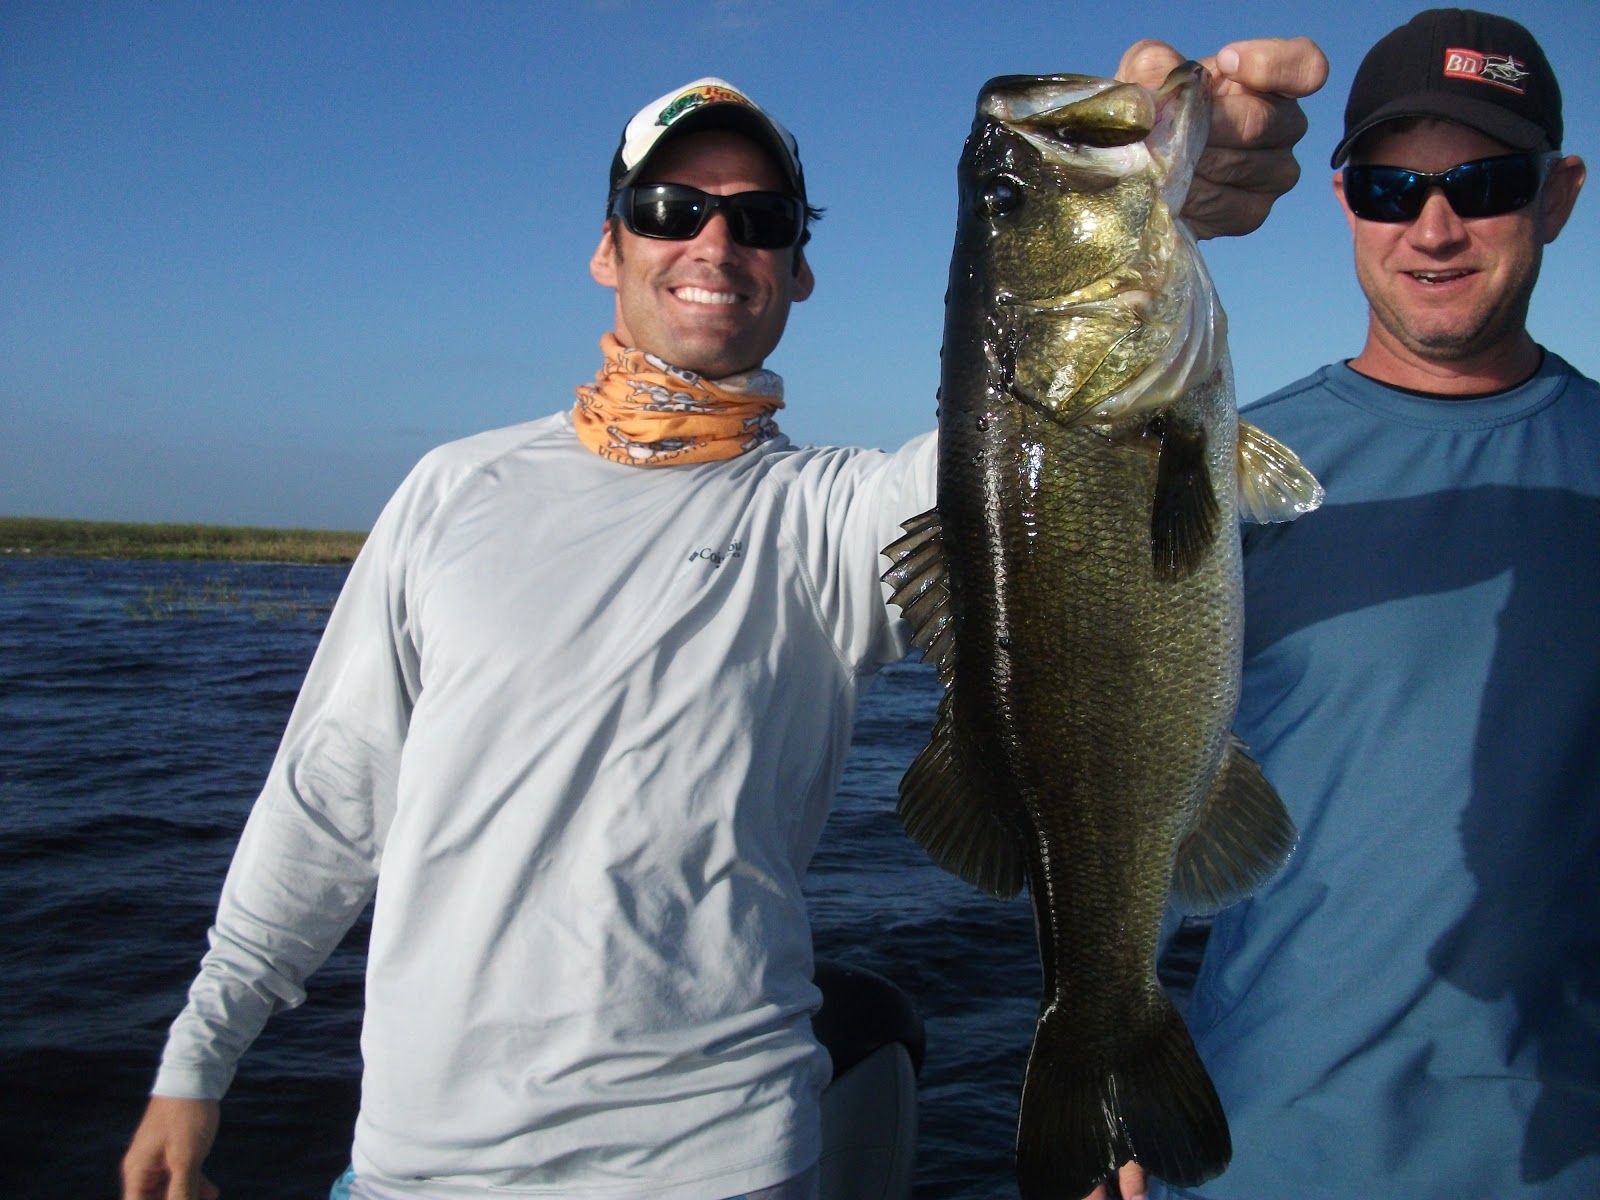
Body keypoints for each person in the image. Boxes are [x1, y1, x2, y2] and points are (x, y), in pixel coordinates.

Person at [120, 38, 1328, 1200]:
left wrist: (1180, 197)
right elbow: (331, 795)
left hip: (722, 1161)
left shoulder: (828, 517)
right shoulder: (453, 489)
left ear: (797, 266)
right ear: (609, 246)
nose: (713, 240)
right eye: (668, 209)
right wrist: (195, 1060)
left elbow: (1024, 469)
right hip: (416, 1164)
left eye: (759, 219)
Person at [1145, 8, 1598, 1198]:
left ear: (1557, 196)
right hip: (1256, 1152)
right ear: (1346, 203)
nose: (1434, 227)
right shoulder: (1225, 471)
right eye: (1393, 187)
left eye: (1484, 181)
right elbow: (1111, 789)